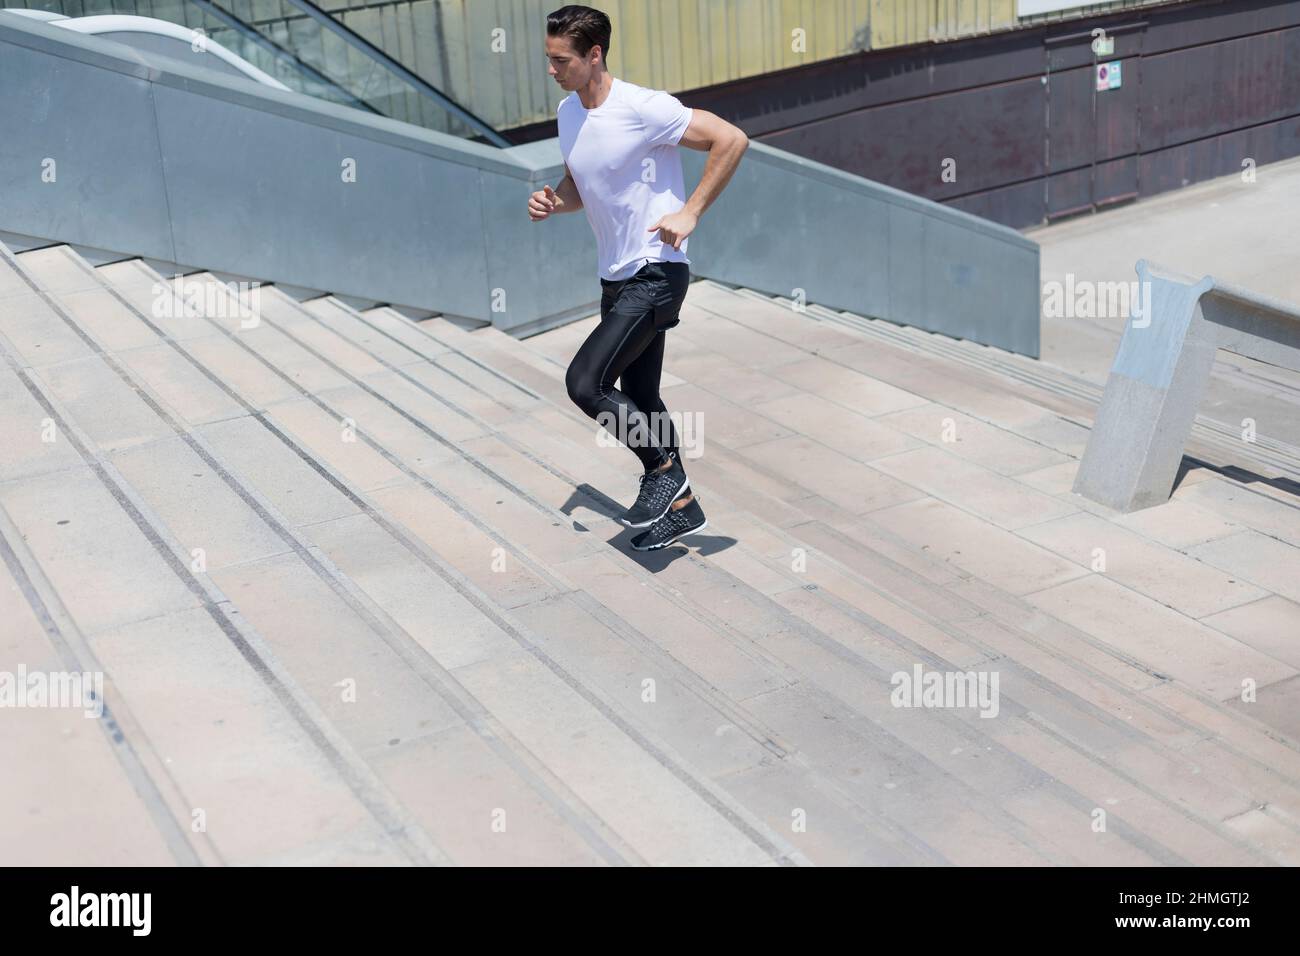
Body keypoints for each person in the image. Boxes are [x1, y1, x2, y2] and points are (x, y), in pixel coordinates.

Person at [528, 5, 749, 551]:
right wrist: (555, 200)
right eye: (549, 59)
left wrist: (691, 210)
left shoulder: (644, 107)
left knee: (585, 383)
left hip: (657, 271)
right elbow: (583, 182)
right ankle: (682, 509)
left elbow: (732, 139)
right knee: (641, 393)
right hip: (617, 277)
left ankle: (664, 471)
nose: (552, 69)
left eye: (561, 60)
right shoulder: (568, 113)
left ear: (594, 54)